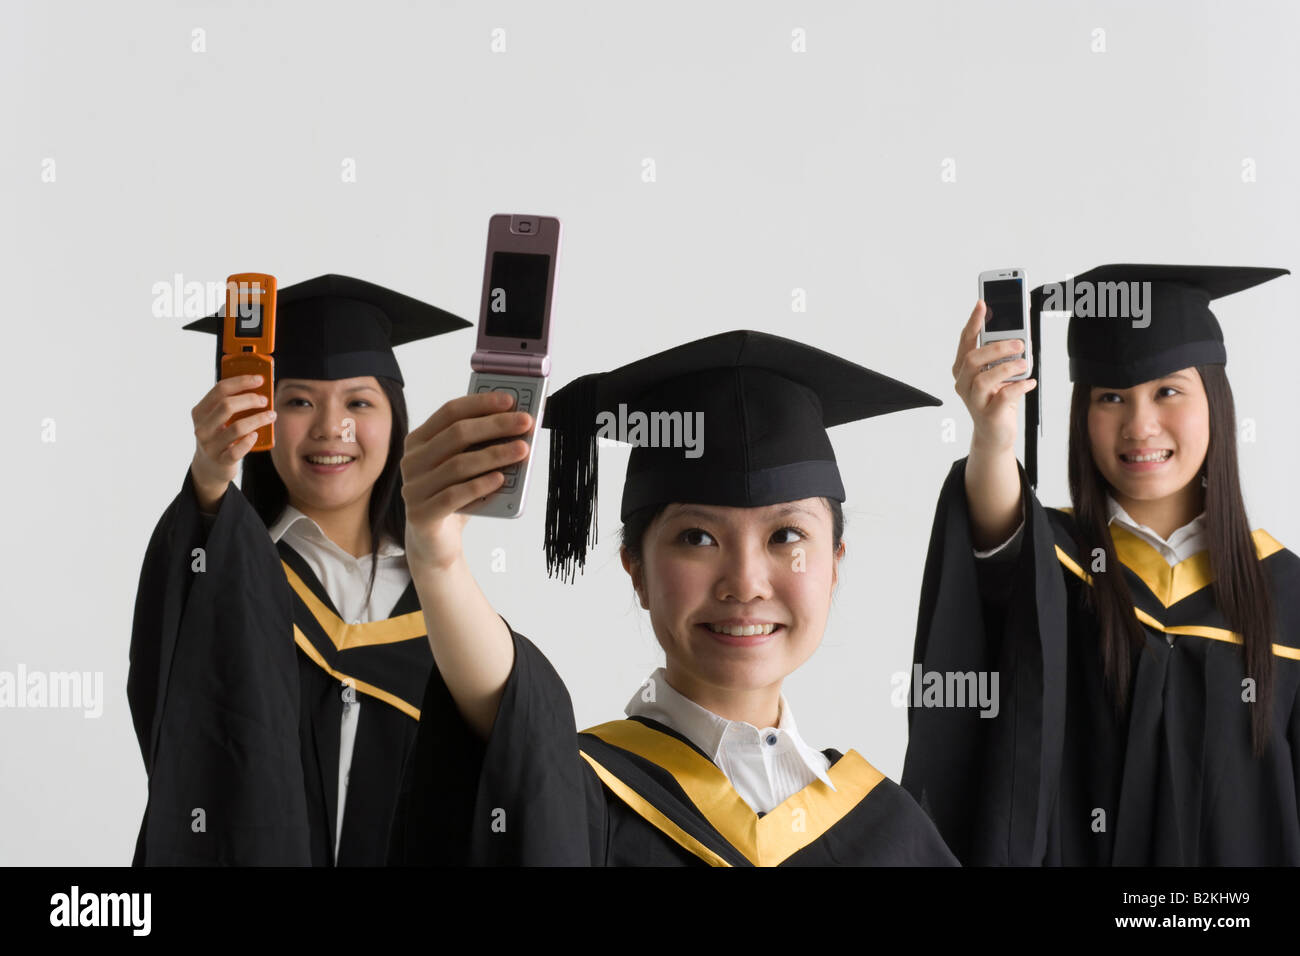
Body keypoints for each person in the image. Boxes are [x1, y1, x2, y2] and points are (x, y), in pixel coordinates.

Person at [387, 329, 958, 866]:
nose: (746, 582)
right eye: (697, 538)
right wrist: (438, 559)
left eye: (786, 536)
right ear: (634, 568)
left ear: (835, 564)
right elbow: (516, 716)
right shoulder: (588, 798)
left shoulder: (892, 832)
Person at [901, 263, 1300, 865]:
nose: (1140, 425)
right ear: (1081, 415)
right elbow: (997, 529)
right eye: (1110, 397)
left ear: (1215, 401)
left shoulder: (1286, 595)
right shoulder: (1055, 563)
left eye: (1168, 390)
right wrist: (992, 436)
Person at [128, 273, 470, 865]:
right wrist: (210, 479)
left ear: (395, 420)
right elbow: (171, 694)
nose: (330, 428)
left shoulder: (443, 599)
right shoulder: (230, 578)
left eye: (359, 402)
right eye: (298, 401)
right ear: (264, 417)